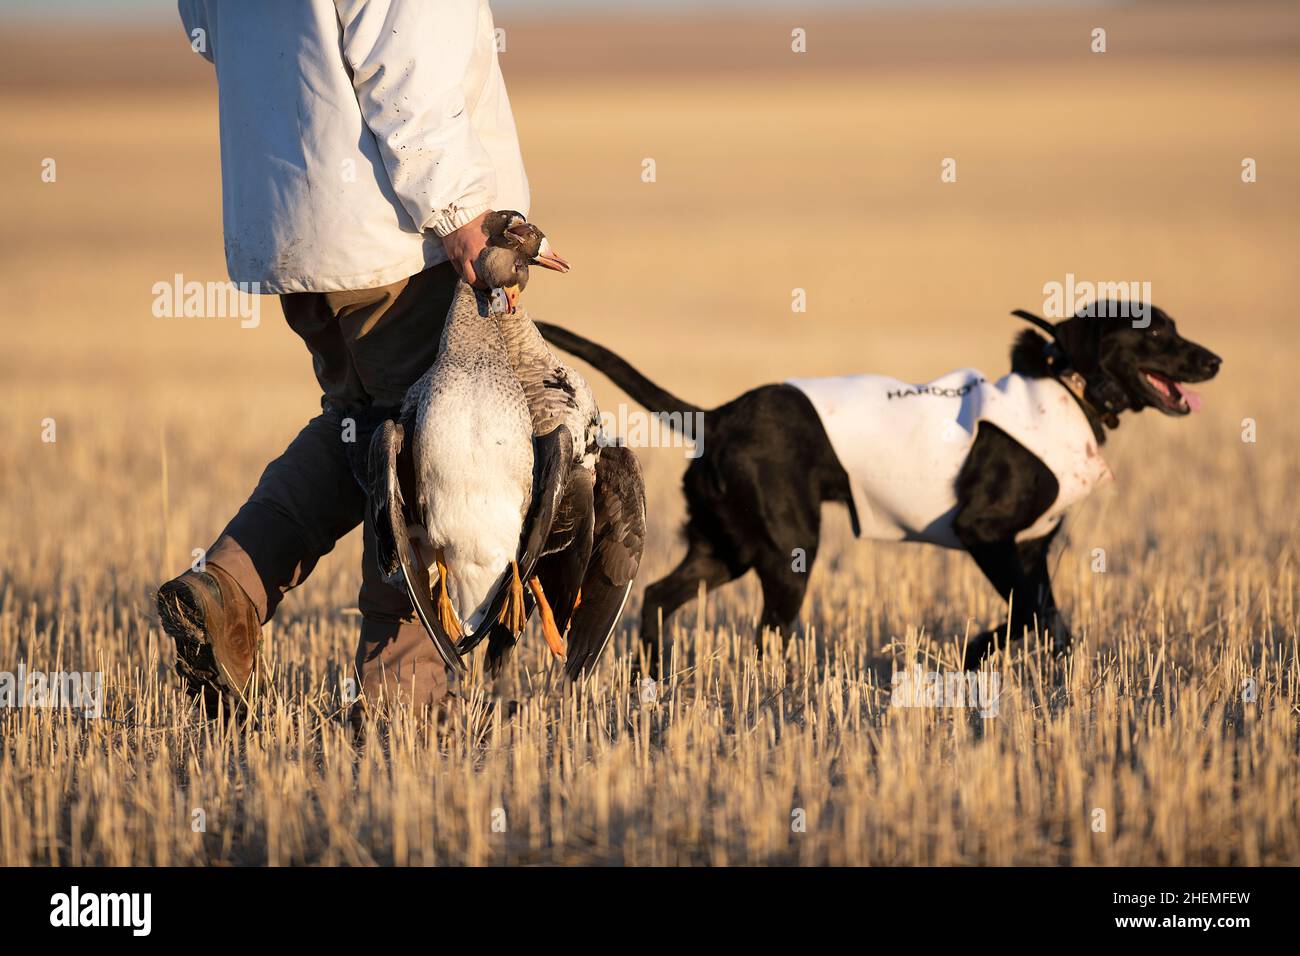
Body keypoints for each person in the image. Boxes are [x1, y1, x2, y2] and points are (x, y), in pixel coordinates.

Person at [157, 0, 529, 722]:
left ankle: (227, 590)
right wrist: (459, 213)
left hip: (298, 219)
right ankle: (407, 696)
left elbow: (209, 28)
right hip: (391, 229)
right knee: (432, 444)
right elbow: (404, 60)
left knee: (363, 423)